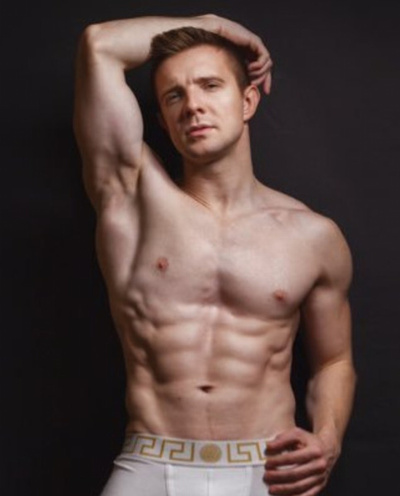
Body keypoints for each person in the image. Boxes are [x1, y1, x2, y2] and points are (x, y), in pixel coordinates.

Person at [73, 13, 356, 496]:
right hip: (150, 463)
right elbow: (99, 45)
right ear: (162, 121)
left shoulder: (313, 236)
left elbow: (334, 360)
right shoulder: (130, 202)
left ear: (248, 100)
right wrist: (209, 23)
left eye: (209, 85)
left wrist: (328, 439)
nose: (193, 106)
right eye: (174, 96)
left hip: (269, 469)